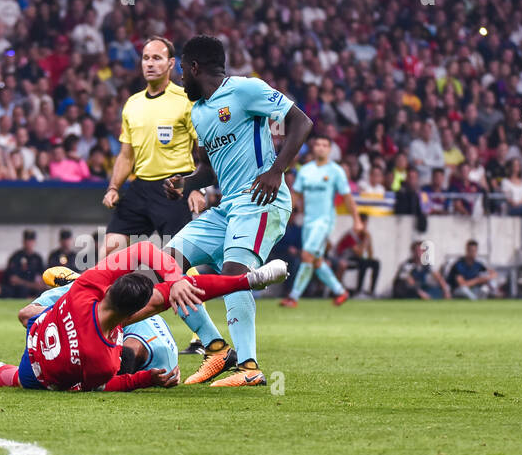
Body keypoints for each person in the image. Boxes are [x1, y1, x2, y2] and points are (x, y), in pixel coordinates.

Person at [161, 35, 313, 387]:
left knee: (233, 273)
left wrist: (276, 171)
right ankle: (216, 349)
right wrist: (186, 183)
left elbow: (302, 122)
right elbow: (209, 171)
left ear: (195, 67)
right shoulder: (198, 112)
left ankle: (249, 368)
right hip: (226, 205)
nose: (181, 78)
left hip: (260, 199)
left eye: (182, 70)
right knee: (164, 265)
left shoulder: (245, 90)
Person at [0, 242, 286, 392]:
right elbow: (105, 385)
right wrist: (146, 379)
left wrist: (175, 280)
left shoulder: (86, 290)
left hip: (47, 326)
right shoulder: (104, 361)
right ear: (132, 316)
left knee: (27, 313)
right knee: (16, 377)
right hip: (41, 367)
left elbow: (140, 251)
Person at [103, 36, 208, 253]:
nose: (150, 63)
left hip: (174, 187)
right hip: (140, 187)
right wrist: (114, 187)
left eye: (157, 58)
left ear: (171, 63)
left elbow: (206, 151)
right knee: (109, 252)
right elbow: (125, 156)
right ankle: (101, 288)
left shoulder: (186, 100)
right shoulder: (132, 104)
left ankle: (207, 285)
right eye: (146, 58)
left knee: (179, 261)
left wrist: (198, 189)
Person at [16, 267, 178, 377]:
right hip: (100, 299)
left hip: (115, 303)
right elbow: (26, 315)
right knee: (27, 315)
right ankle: (76, 285)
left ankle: (76, 286)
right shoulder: (162, 362)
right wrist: (74, 310)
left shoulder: (163, 369)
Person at [281, 136, 361, 307]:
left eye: (325, 145)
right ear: (313, 147)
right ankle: (341, 291)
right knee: (316, 261)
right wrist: (287, 215)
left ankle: (293, 297)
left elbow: (347, 197)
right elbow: (295, 195)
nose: (321, 148)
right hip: (308, 221)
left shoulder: (335, 171)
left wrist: (357, 219)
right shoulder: (305, 171)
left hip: (324, 221)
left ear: (330, 149)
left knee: (306, 255)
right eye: (318, 144)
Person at [335, 214, 380, 296]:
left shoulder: (364, 235)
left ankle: (372, 291)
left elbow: (370, 255)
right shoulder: (351, 235)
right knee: (363, 262)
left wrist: (368, 239)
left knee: (375, 263)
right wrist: (366, 241)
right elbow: (359, 253)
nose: (365, 226)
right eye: (363, 223)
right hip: (344, 259)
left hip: (356, 259)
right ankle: (359, 291)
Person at [3, 230, 46, 299]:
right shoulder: (16, 257)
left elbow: (42, 276)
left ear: (34, 242)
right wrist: (30, 285)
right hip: (20, 288)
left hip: (35, 288)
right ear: (23, 242)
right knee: (21, 290)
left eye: (31, 241)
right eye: (27, 241)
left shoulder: (37, 258)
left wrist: (40, 284)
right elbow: (13, 279)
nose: (29, 243)